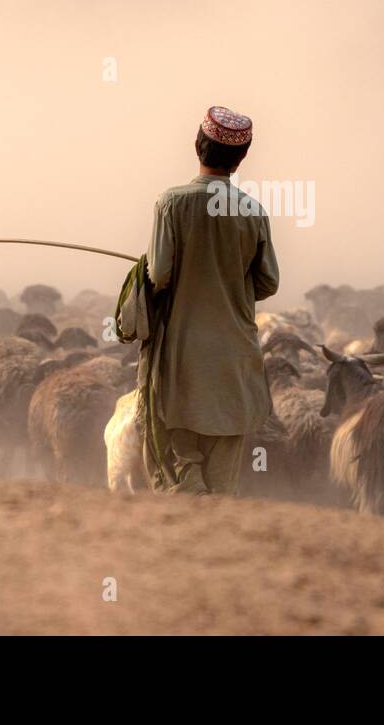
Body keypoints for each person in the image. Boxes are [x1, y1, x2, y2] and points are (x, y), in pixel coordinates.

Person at [138, 106, 280, 496]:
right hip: (233, 362)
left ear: (197, 145)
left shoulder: (171, 203)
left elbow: (159, 274)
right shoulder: (253, 211)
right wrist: (231, 283)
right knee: (222, 490)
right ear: (241, 158)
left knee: (182, 482)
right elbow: (268, 282)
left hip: (181, 359)